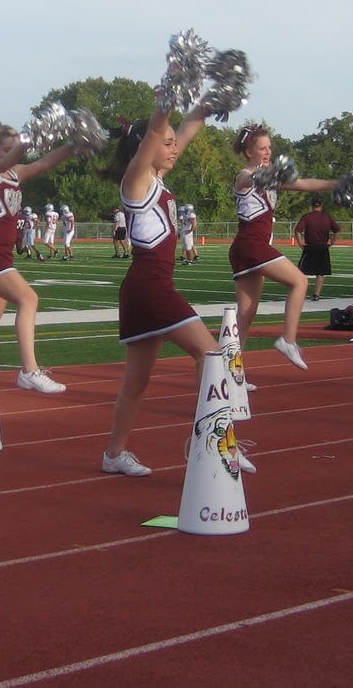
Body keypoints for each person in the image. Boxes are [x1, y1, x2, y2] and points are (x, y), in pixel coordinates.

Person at [103, 101, 221, 476]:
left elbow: (183, 132)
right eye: (165, 144)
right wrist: (167, 100)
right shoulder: (136, 181)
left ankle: (113, 455)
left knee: (135, 384)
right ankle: (210, 445)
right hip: (150, 286)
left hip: (141, 288)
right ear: (146, 147)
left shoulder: (156, 178)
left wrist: (203, 107)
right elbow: (158, 132)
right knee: (211, 355)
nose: (173, 148)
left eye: (173, 144)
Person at [0, 122, 79, 398]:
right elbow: (13, 159)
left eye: (15, 147)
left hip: (1, 252)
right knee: (29, 299)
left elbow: (46, 163)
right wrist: (28, 141)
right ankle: (29, 371)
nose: (12, 153)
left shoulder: (15, 173)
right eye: (6, 148)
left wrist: (75, 145)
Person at [229, 122, 352, 371]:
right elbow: (244, 179)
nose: (268, 152)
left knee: (246, 315)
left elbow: (305, 184)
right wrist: (264, 175)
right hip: (251, 244)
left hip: (247, 248)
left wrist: (337, 183)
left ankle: (231, 373)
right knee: (300, 282)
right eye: (262, 148)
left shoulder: (271, 180)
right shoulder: (245, 176)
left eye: (270, 147)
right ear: (248, 151)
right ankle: (288, 340)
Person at [293, 196, 339, 301]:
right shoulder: (327, 217)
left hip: (310, 246)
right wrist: (332, 242)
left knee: (301, 271)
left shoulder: (306, 217)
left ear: (312, 206)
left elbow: (297, 231)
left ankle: (300, 292)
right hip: (323, 247)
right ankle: (316, 295)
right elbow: (337, 230)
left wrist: (300, 243)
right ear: (322, 206)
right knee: (320, 272)